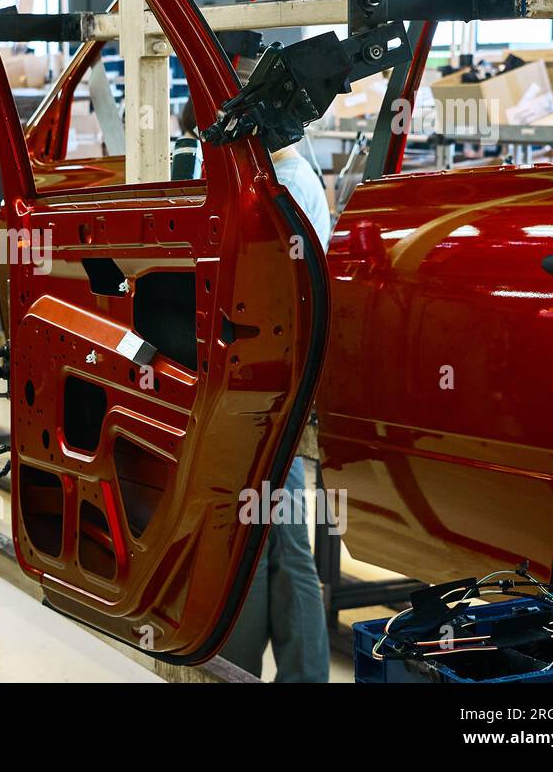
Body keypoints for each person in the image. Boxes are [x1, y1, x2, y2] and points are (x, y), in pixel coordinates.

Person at [177, 101, 331, 682]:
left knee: (256, 544)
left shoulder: (281, 189)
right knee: (276, 542)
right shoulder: (286, 181)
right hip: (274, 382)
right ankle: (289, 673)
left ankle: (238, 671)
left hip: (268, 387)